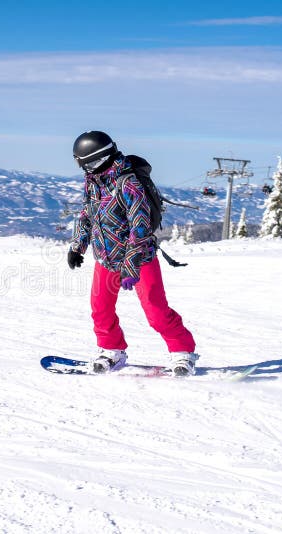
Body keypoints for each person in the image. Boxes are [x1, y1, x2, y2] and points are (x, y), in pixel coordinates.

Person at [67, 131, 198, 375]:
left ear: (99, 159)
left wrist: (130, 266)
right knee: (100, 308)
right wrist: (77, 247)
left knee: (156, 311)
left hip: (140, 259)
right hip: (106, 258)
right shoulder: (94, 182)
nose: (86, 170)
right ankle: (111, 350)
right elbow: (87, 215)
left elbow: (140, 228)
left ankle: (182, 352)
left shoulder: (128, 184)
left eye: (88, 165)